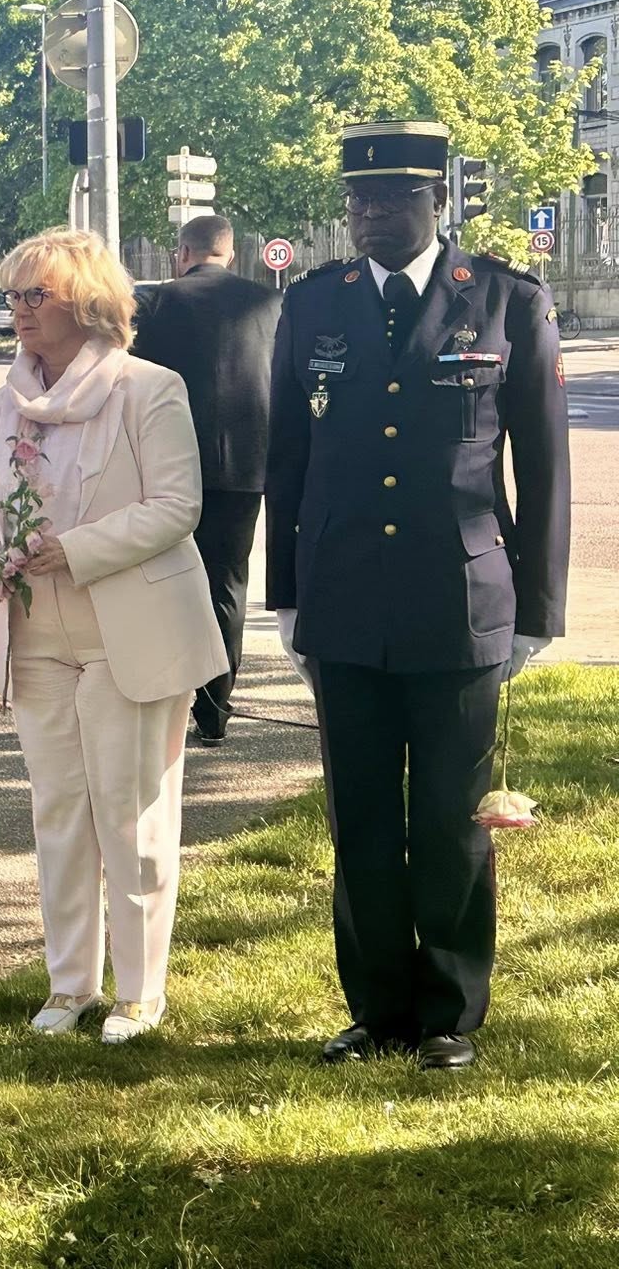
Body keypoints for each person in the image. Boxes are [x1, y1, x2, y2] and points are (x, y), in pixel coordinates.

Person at [267, 122, 570, 1072]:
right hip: (346, 601)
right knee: (358, 814)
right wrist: (285, 593)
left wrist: (537, 610)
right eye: (359, 199)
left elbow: (547, 468)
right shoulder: (315, 305)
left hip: (461, 599)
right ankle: (375, 1008)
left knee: (448, 814)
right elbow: (289, 460)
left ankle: (447, 1012)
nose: (371, 214)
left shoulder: (507, 302)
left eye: (394, 198)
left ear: (437, 200)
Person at [0, 228, 227, 1045]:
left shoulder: (150, 388)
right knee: (59, 813)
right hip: (36, 631)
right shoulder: (4, 403)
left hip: (130, 631)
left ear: (89, 301)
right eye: (12, 296)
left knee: (130, 811)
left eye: (34, 296)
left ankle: (141, 992)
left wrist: (73, 548)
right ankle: (70, 982)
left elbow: (177, 507)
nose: (18, 312)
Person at [131, 213, 281, 746]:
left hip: (167, 465)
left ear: (181, 252)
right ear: (231, 254)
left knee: (162, 581)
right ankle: (215, 711)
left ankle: (164, 704)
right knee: (226, 586)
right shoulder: (268, 304)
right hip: (245, 466)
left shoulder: (155, 303)